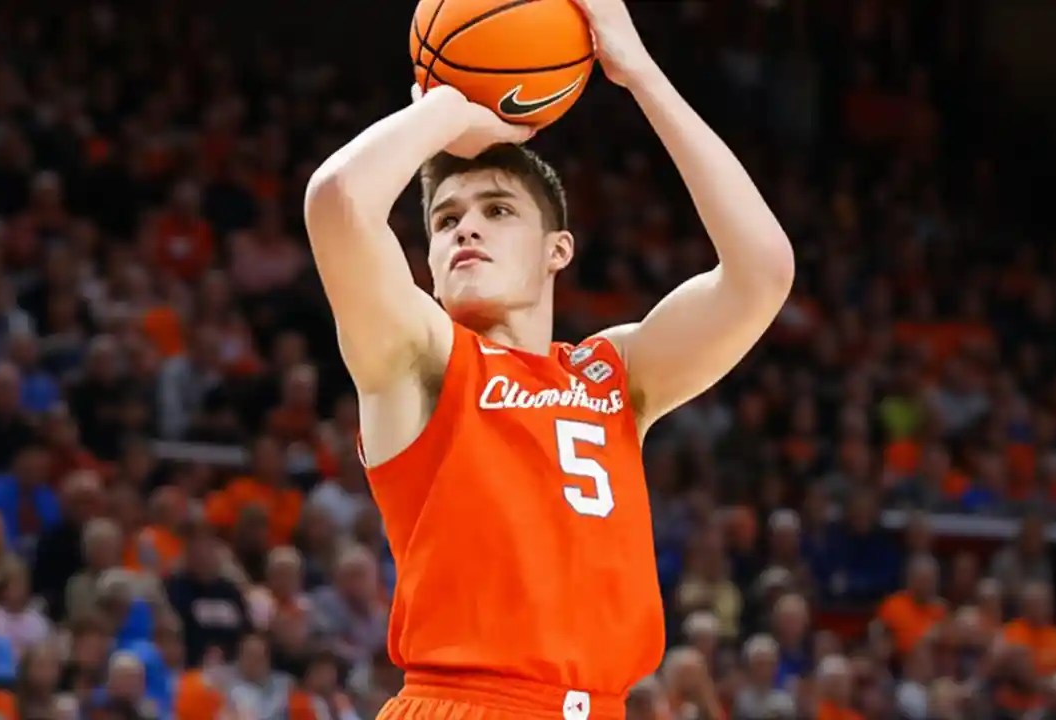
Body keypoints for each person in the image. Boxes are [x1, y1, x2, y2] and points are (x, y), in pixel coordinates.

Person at [303, 0, 793, 717]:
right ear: (430, 262)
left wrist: (641, 74)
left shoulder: (613, 375)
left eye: (498, 210)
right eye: (445, 220)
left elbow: (762, 271)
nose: (466, 227)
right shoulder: (421, 361)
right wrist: (449, 108)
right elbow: (339, 200)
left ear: (557, 250)